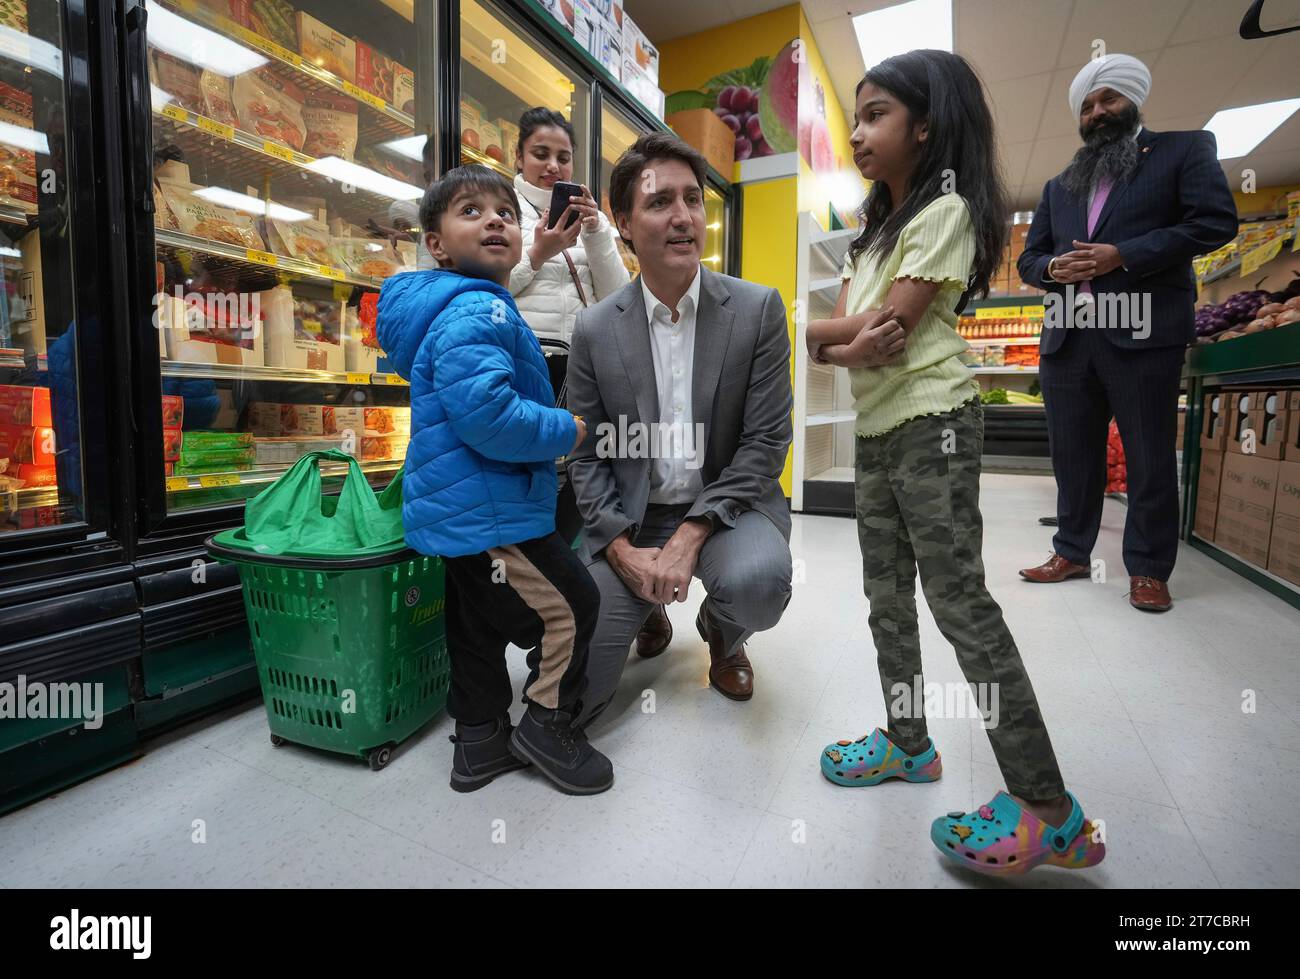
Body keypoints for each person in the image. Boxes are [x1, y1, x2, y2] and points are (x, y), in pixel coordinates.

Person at [807, 50, 1104, 876]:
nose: (859, 133)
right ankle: (909, 742)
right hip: (876, 429)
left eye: (876, 116)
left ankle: (1048, 806)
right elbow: (834, 332)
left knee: (959, 602)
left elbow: (886, 328)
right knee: (885, 599)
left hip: (932, 424)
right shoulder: (873, 232)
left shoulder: (943, 211)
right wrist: (838, 338)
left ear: (925, 126)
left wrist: (837, 337)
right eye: (856, 117)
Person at [376, 164, 613, 796]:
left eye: (505, 213)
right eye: (471, 212)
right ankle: (547, 723)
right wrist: (565, 429)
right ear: (436, 243)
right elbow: (489, 415)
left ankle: (478, 742)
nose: (495, 222)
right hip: (493, 509)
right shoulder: (477, 311)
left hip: (460, 512)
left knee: (475, 626)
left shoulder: (459, 308)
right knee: (574, 607)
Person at [566, 132, 793, 722]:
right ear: (623, 222)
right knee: (577, 687)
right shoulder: (593, 329)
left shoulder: (756, 309)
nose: (684, 217)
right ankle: (649, 605)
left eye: (693, 199)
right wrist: (619, 548)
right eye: (660, 201)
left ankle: (723, 633)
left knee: (758, 584)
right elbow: (586, 454)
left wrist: (689, 538)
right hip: (635, 516)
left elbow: (766, 443)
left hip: (726, 508)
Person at [1017, 54, 1237, 612]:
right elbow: (1030, 259)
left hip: (1144, 331)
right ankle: (1070, 551)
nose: (1097, 112)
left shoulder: (1184, 150)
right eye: (1088, 106)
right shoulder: (1059, 184)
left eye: (1108, 99)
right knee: (1073, 456)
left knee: (1148, 455)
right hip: (1069, 336)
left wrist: (1124, 256)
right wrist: (1049, 271)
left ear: (1132, 101)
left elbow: (1213, 223)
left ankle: (1148, 570)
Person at [505, 109, 675, 658]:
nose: (552, 165)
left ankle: (624, 605)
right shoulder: (502, 210)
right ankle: (550, 622)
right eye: (541, 154)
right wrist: (537, 253)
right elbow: (484, 287)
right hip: (522, 368)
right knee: (536, 495)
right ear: (519, 157)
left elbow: (615, 294)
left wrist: (598, 232)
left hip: (581, 370)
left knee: (589, 485)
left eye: (563, 157)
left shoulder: (587, 221)